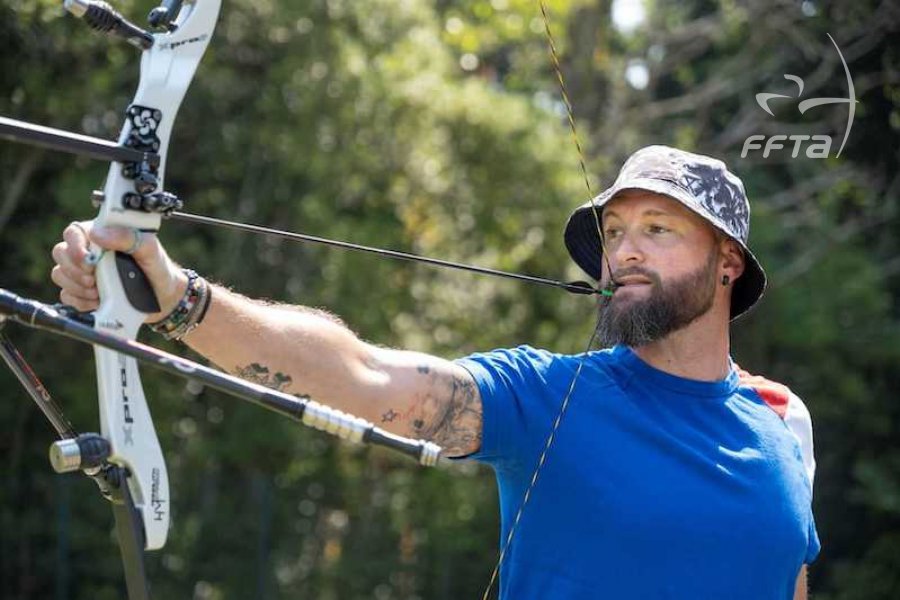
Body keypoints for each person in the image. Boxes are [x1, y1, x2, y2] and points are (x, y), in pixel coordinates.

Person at [50, 145, 819, 599]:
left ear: (727, 262)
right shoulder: (548, 398)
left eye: (658, 229)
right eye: (616, 231)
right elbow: (367, 377)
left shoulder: (781, 417)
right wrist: (182, 300)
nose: (625, 253)